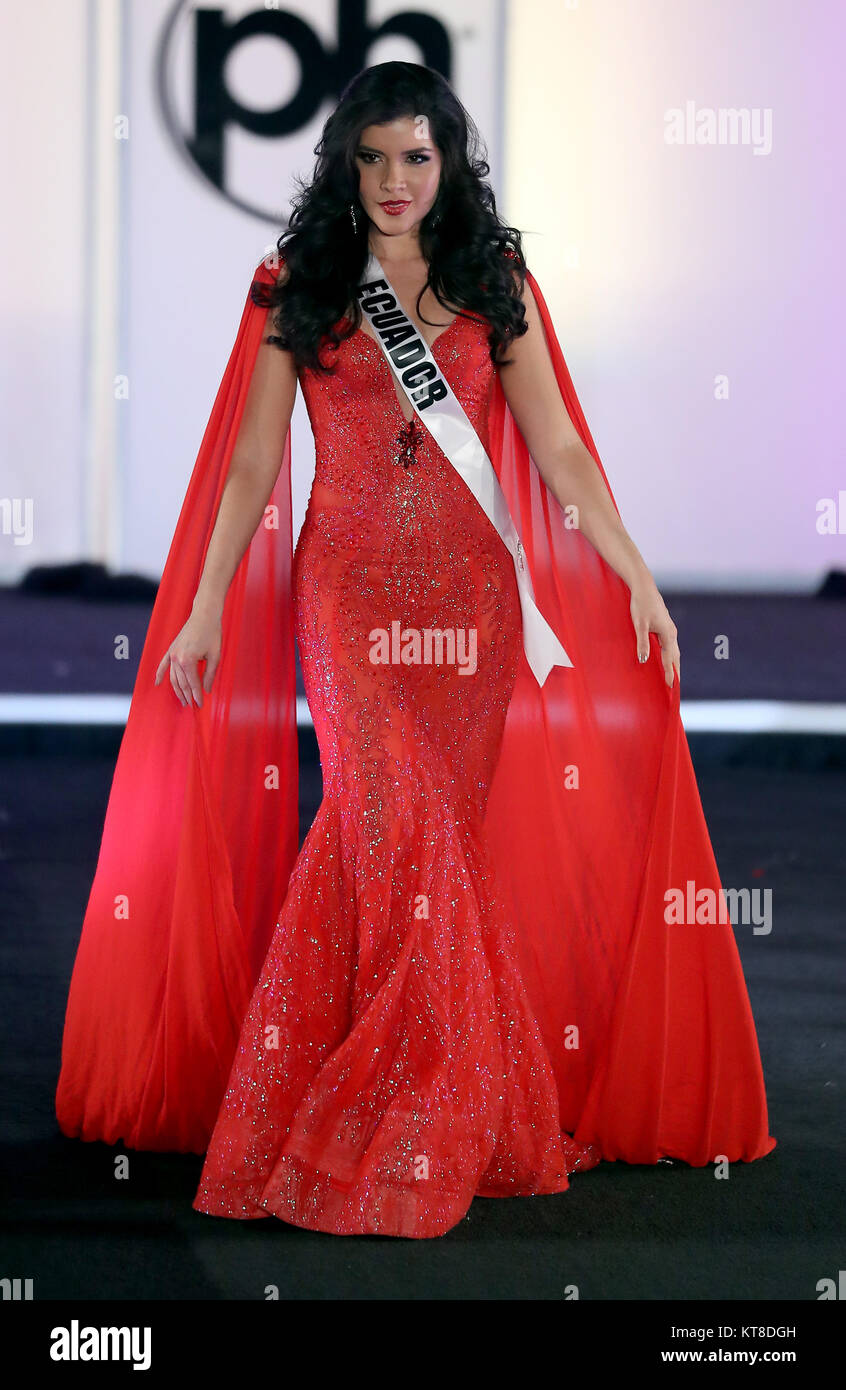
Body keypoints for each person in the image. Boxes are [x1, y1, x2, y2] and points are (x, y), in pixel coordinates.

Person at [56, 62, 775, 1239]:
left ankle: (428, 1103)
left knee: (408, 848)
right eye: (375, 157)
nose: (395, 181)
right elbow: (251, 465)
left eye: (417, 158)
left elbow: (561, 457)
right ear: (347, 160)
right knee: (399, 828)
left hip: (472, 612)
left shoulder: (496, 282)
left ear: (451, 165)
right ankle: (426, 1101)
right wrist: (204, 602)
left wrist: (640, 574)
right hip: (344, 602)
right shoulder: (297, 281)